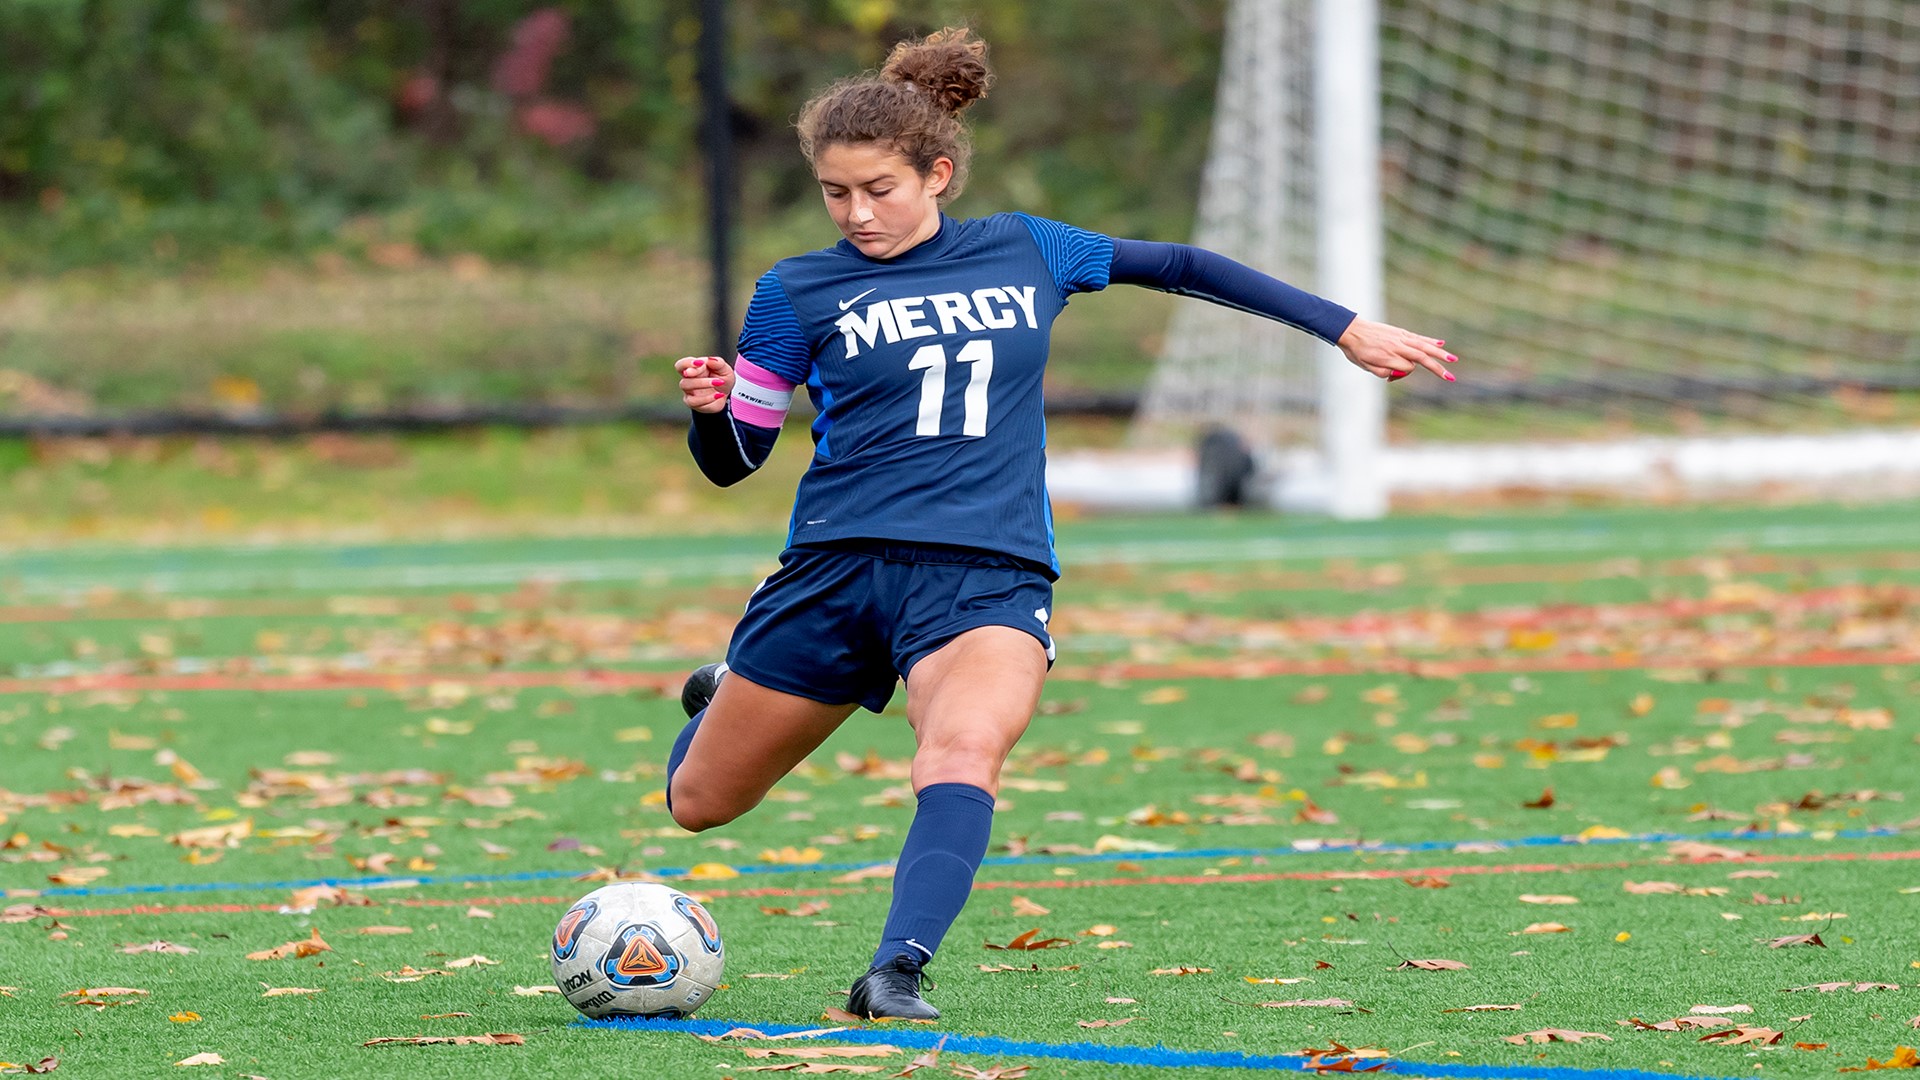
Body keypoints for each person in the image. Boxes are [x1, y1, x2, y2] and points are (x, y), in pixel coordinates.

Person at [663, 27, 1456, 1021]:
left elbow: (1184, 264)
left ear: (938, 173)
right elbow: (738, 461)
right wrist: (709, 415)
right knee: (700, 805)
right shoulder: (794, 292)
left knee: (958, 756)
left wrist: (1343, 326)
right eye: (837, 192)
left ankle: (896, 970)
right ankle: (729, 687)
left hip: (987, 573)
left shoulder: (1028, 248)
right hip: (836, 569)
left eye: (880, 189)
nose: (858, 212)